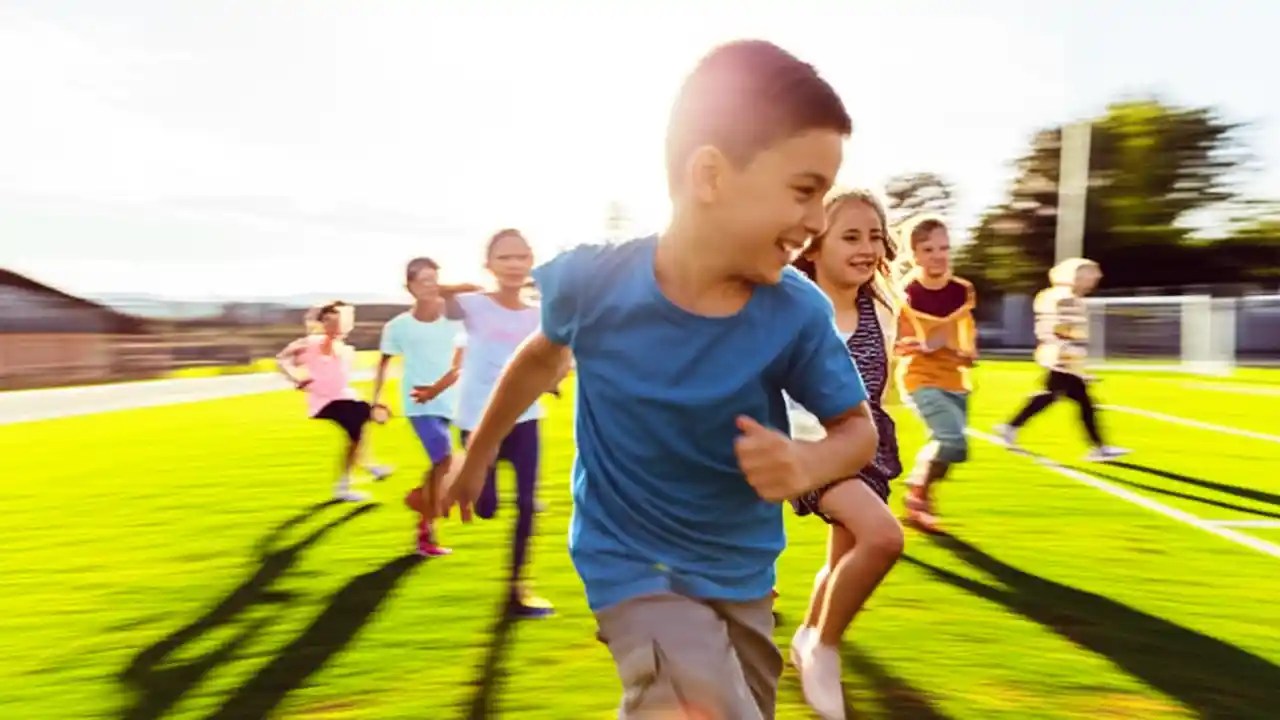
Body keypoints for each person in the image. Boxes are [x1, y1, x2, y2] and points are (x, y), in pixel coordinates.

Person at [435, 40, 879, 720]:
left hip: (740, 572)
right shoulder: (593, 280)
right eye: (804, 191)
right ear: (710, 176)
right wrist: (479, 450)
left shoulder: (794, 312)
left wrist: (805, 461)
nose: (817, 222)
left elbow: (858, 432)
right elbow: (543, 357)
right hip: (630, 563)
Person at [785, 190, 905, 720]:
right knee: (883, 538)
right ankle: (823, 649)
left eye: (874, 236)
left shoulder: (882, 309)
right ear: (814, 245)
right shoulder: (787, 304)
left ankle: (808, 634)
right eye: (850, 236)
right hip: (807, 447)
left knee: (842, 560)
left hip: (866, 446)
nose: (866, 247)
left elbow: (876, 388)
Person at [444, 228, 563, 618]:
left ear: (531, 262)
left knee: (528, 505)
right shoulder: (472, 306)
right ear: (488, 265)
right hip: (478, 421)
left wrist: (555, 380)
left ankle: (517, 590)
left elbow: (560, 357)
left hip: (526, 418)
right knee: (487, 507)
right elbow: (433, 299)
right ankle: (465, 473)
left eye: (521, 257)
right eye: (504, 258)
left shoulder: (541, 312)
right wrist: (453, 289)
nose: (514, 265)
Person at [371, 258, 474, 557]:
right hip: (418, 405)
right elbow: (383, 363)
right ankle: (425, 534)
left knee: (453, 468)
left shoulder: (455, 321)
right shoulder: (397, 327)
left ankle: (419, 498)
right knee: (443, 457)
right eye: (423, 280)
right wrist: (377, 399)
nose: (430, 285)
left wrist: (438, 389)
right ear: (409, 287)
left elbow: (459, 365)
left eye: (434, 278)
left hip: (450, 401)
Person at [996, 258, 1130, 461]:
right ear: (1077, 276)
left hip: (1056, 355)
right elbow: (1063, 332)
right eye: (1091, 274)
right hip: (1062, 358)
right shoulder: (1067, 299)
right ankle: (1098, 448)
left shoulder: (1052, 296)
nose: (1096, 278)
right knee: (1065, 398)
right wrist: (1075, 366)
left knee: (1061, 397)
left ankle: (1011, 427)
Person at [893, 215, 978, 533]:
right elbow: (895, 339)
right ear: (914, 255)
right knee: (950, 439)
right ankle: (918, 497)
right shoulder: (905, 294)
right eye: (928, 249)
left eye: (944, 247)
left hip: (955, 379)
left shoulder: (962, 291)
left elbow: (967, 328)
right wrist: (917, 344)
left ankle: (920, 490)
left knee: (953, 451)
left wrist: (968, 351)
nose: (938, 255)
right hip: (920, 377)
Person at [276, 300, 389, 502]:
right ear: (322, 322)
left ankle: (356, 476)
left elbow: (338, 380)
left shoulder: (345, 350)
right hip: (324, 403)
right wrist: (295, 377)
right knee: (361, 415)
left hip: (343, 398)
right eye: (328, 320)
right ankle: (362, 472)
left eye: (337, 320)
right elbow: (282, 360)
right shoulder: (311, 343)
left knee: (356, 434)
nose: (333, 324)